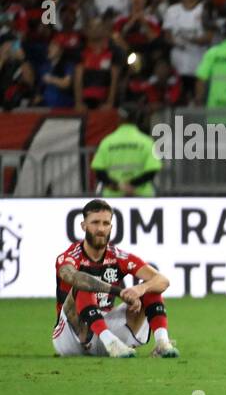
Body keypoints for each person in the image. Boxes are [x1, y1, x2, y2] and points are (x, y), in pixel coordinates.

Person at [52, 198, 178, 358]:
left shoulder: (118, 256)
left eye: (105, 223)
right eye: (95, 222)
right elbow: (71, 276)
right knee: (83, 284)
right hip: (72, 335)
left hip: (104, 327)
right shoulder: (70, 256)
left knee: (151, 287)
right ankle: (111, 343)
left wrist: (139, 289)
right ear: (83, 226)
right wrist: (119, 292)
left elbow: (163, 280)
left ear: (111, 227)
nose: (100, 228)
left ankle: (162, 343)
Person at [91, 107, 161, 198]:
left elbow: (99, 171)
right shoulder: (147, 142)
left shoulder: (107, 142)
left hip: (113, 197)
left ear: (120, 118)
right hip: (142, 196)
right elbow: (152, 170)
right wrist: (132, 184)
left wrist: (118, 186)